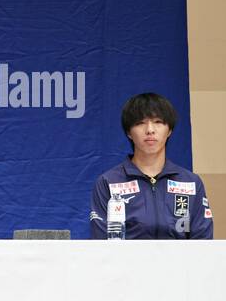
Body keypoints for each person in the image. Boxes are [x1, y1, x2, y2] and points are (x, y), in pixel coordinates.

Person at [90, 93, 214, 239]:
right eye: (140, 123)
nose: (150, 130)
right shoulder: (108, 182)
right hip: (125, 262)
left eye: (158, 122)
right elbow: (100, 246)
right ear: (129, 132)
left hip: (180, 262)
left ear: (169, 130)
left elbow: (203, 242)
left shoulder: (191, 182)